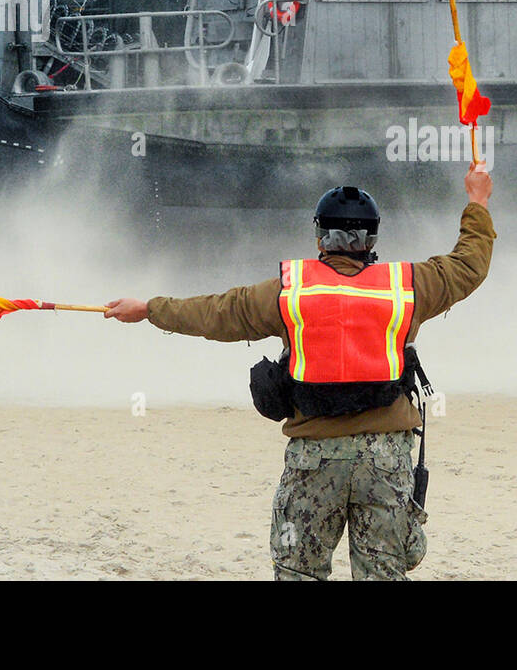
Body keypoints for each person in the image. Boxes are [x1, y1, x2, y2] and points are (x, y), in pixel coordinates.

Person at [104, 163, 495, 580]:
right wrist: (477, 200)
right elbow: (469, 264)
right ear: (373, 237)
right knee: (383, 573)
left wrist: (149, 309)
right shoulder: (408, 286)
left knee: (298, 572)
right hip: (385, 461)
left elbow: (218, 312)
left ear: (320, 236)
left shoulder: (290, 291)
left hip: (314, 458)